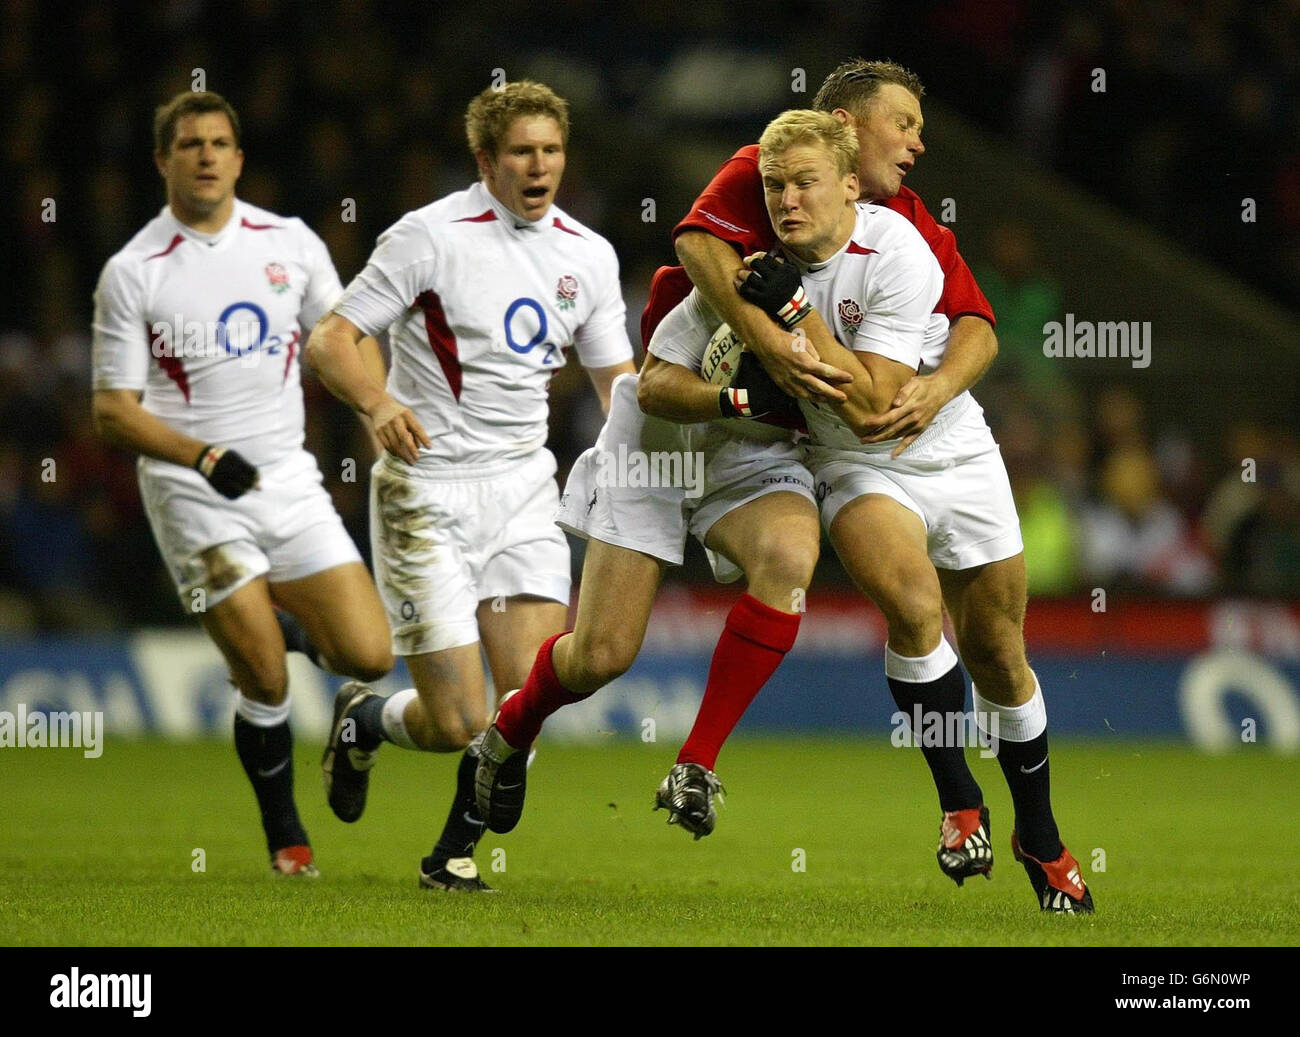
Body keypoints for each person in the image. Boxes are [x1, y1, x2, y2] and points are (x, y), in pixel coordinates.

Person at [744, 109, 1092, 913]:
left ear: (847, 184)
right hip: (852, 462)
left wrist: (795, 313)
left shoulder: (897, 248)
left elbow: (877, 401)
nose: (788, 201)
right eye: (774, 186)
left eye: (804, 184)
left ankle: (1040, 835)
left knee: (998, 652)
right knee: (912, 605)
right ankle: (959, 799)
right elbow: (860, 428)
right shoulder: (752, 263)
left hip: (954, 450)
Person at [305, 81, 637, 892]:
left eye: (551, 150)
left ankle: (449, 857)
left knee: (524, 706)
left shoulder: (588, 255)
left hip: (524, 489)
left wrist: (653, 469)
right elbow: (332, 339)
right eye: (522, 152)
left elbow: (617, 387)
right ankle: (364, 720)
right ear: (485, 160)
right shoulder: (427, 238)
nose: (540, 166)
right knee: (457, 721)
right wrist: (378, 402)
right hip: (426, 492)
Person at [91, 90, 393, 878]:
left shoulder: (289, 243)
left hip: (288, 480)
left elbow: (345, 336)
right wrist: (199, 456)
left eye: (219, 143)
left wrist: (377, 410)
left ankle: (270, 629)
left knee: (369, 653)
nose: (206, 155)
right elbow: (113, 410)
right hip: (191, 491)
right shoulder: (133, 271)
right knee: (262, 674)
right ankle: (287, 837)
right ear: (163, 160)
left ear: (238, 158)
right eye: (190, 144)